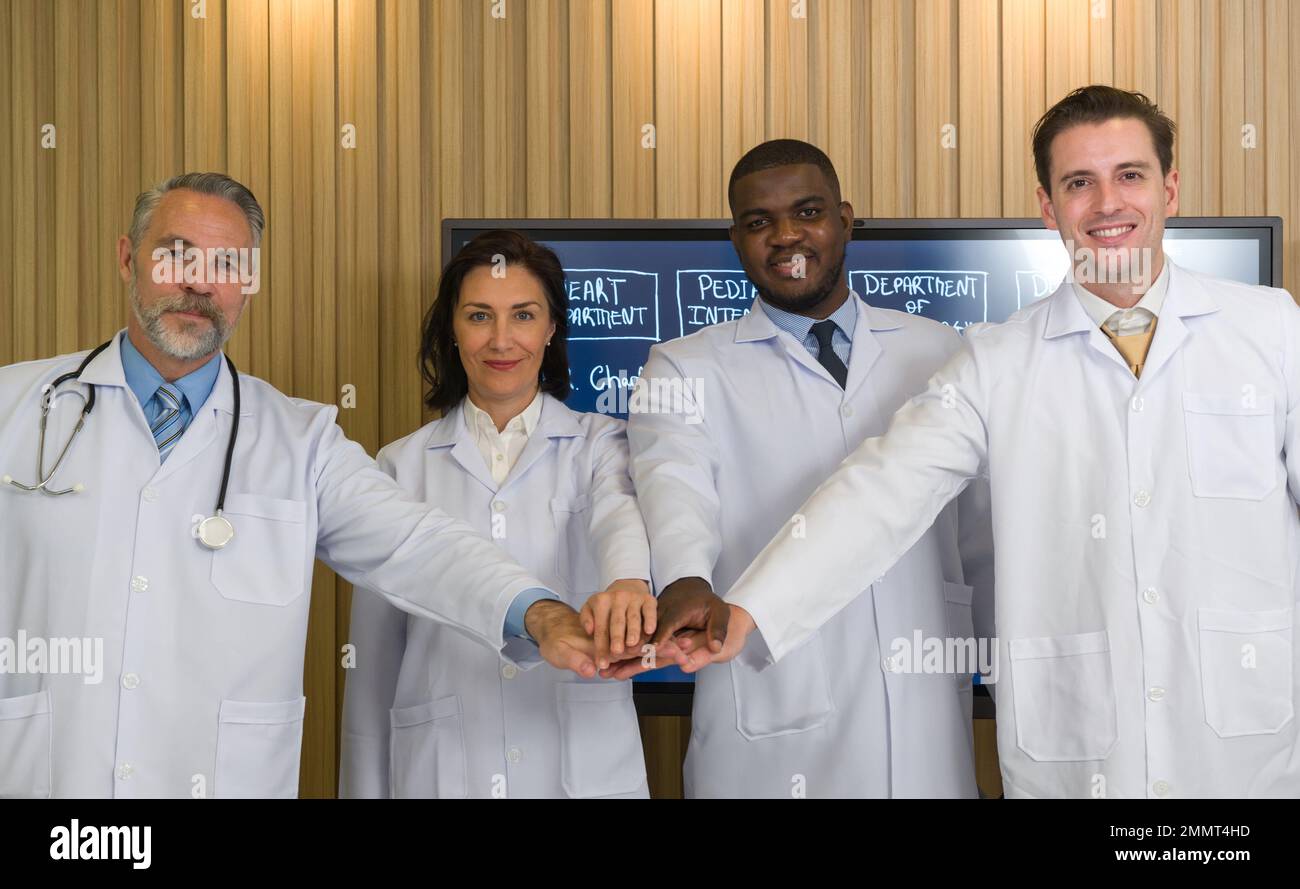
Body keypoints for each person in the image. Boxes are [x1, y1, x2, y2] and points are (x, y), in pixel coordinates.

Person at [701, 87, 1300, 799]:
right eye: (1079, 182)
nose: (1108, 203)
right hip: (1077, 754)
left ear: (1169, 186)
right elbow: (880, 491)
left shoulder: (1269, 328)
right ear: (1049, 205)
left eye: (1130, 175)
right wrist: (751, 609)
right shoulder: (996, 360)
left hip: (1242, 752)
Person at [0, 174, 600, 799]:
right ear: (129, 257)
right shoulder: (13, 407)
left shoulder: (301, 440)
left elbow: (418, 545)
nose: (198, 282)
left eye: (226, 263)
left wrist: (539, 613)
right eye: (174, 253)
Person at [616, 140, 993, 798]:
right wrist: (684, 575)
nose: (786, 235)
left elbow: (980, 538)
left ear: (846, 219)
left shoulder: (939, 350)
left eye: (808, 211)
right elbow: (673, 485)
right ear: (735, 238)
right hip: (772, 711)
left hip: (926, 722)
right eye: (759, 221)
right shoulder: (682, 366)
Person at [340, 231, 654, 798]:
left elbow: (619, 518)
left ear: (552, 327)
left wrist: (629, 580)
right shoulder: (399, 467)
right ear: (452, 330)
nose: (502, 340)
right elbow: (372, 665)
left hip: (580, 761)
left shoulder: (604, 445)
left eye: (524, 315)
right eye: (480, 315)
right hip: (443, 768)